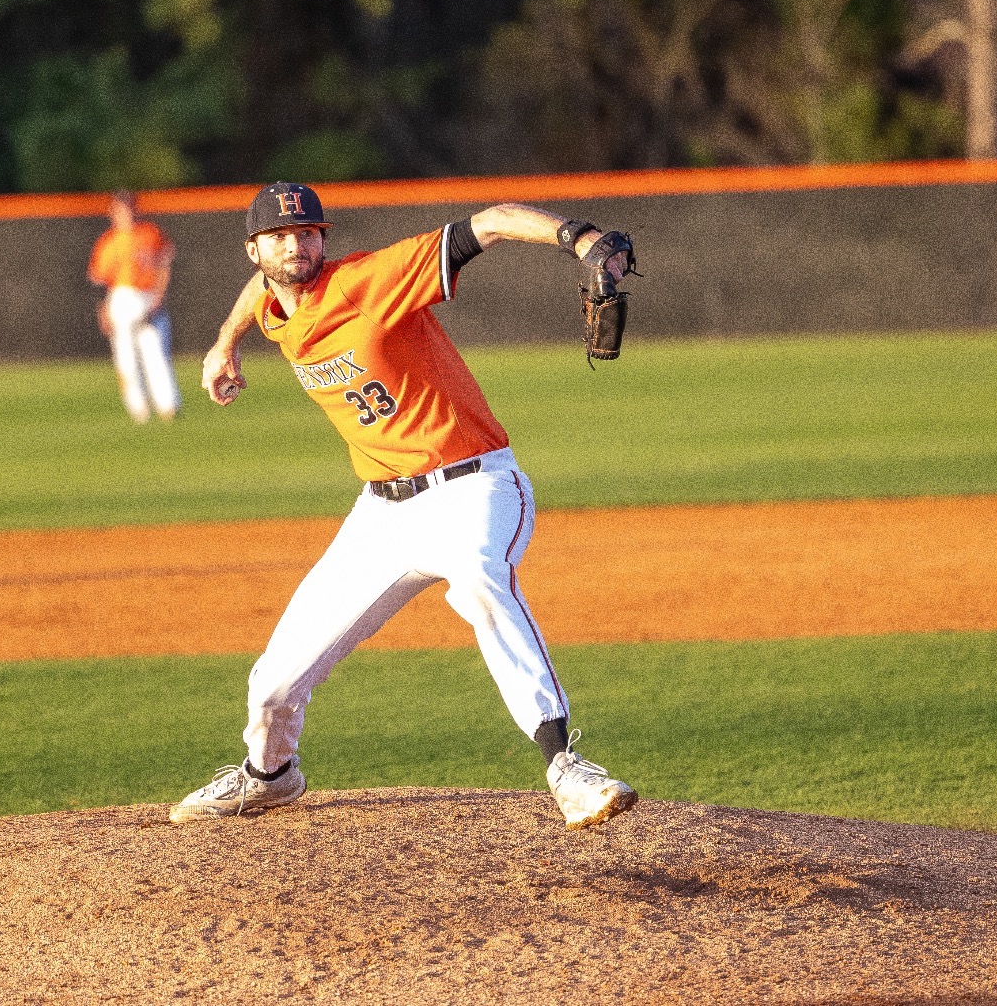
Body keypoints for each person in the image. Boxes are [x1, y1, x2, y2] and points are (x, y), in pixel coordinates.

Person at [169, 181, 638, 830]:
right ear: (255, 249)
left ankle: (567, 766)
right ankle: (269, 775)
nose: (296, 245)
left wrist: (578, 238)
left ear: (322, 241)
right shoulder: (277, 305)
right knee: (272, 684)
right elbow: (263, 292)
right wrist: (226, 341)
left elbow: (491, 222)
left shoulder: (368, 281)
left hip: (472, 485)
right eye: (279, 236)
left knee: (478, 580)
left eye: (307, 233)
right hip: (381, 515)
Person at [86, 191, 180, 423]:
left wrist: (159, 295)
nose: (125, 213)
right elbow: (100, 283)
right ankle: (138, 409)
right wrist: (103, 311)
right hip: (120, 299)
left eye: (129, 208)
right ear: (113, 212)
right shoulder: (107, 242)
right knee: (126, 359)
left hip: (147, 296)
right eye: (120, 209)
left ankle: (168, 406)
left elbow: (164, 265)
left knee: (156, 352)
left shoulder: (150, 233)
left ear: (135, 209)